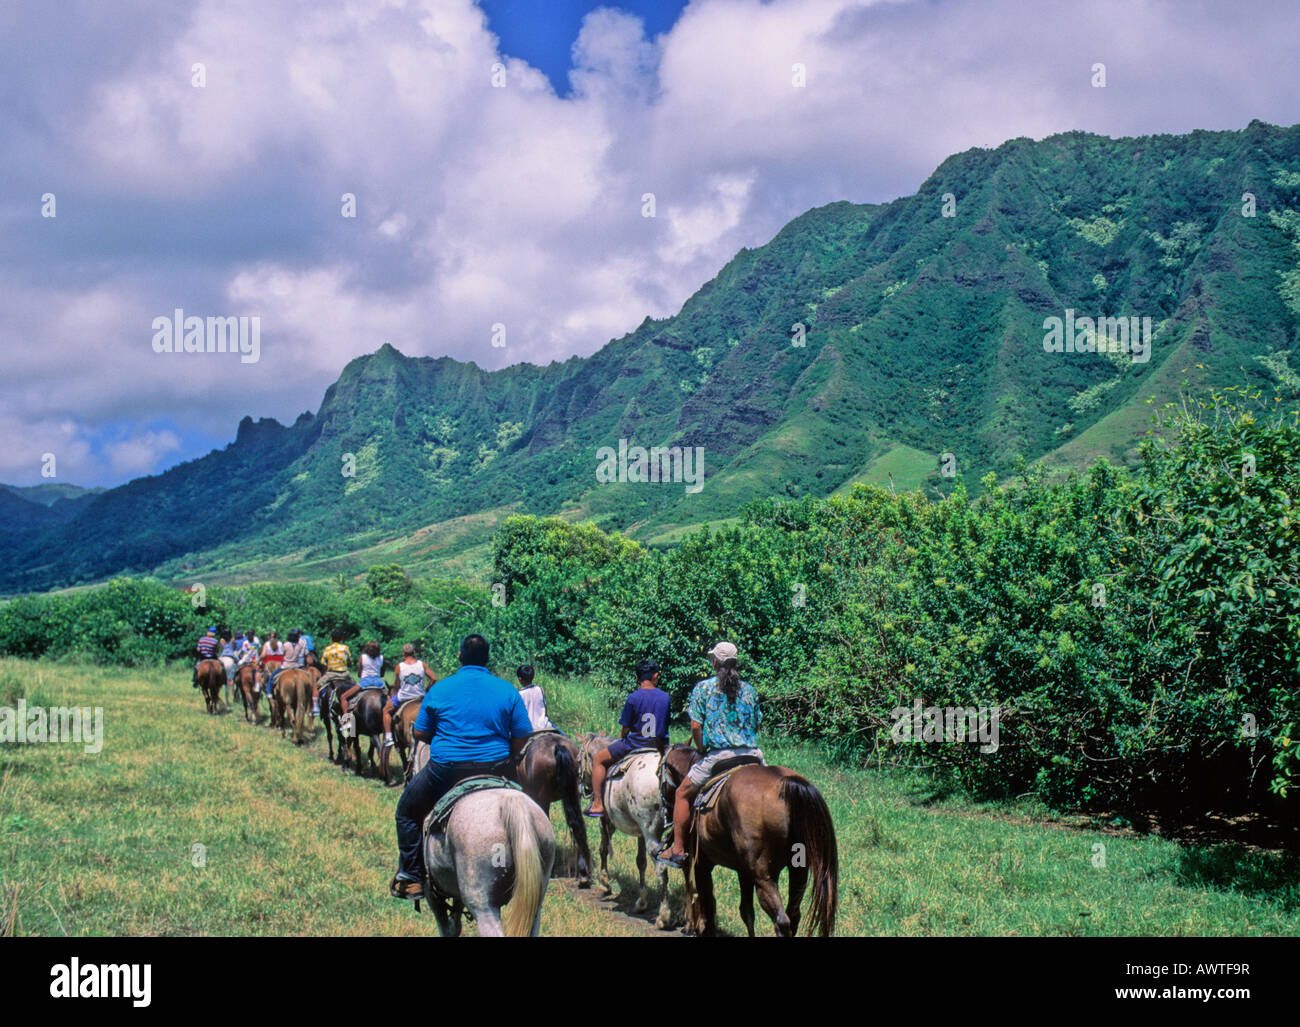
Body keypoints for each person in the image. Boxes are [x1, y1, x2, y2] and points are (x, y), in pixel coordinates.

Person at [390, 634, 532, 899]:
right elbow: (523, 734)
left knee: (407, 813)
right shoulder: (507, 689)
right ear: (488, 658)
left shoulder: (440, 689)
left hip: (447, 770)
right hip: (496, 768)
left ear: (459, 657)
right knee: (529, 808)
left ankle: (412, 877)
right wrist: (509, 756)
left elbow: (420, 733)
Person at [657, 642, 763, 868]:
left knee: (682, 794)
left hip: (719, 757)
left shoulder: (703, 688)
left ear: (715, 662)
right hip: (753, 755)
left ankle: (677, 849)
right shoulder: (749, 690)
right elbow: (756, 723)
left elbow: (696, 725)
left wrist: (702, 748)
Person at [585, 660, 670, 818]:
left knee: (598, 759)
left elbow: (625, 728)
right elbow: (665, 724)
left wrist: (621, 737)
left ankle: (597, 803)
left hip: (635, 744)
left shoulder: (633, 698)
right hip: (660, 747)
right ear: (655, 676)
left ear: (637, 679)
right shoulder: (665, 698)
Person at [384, 644, 433, 747]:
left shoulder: (399, 667)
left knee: (385, 711)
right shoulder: (422, 664)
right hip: (420, 696)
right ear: (414, 652)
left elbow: (397, 686)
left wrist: (395, 694)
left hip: (403, 697)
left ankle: (388, 737)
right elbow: (434, 678)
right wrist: (426, 690)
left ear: (403, 654)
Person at [339, 641, 385, 718]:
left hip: (365, 682)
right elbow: (382, 674)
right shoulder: (381, 657)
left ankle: (346, 720)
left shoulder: (362, 657)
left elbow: (359, 674)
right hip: (379, 683)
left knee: (343, 697)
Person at [316, 630, 353, 718]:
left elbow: (323, 663)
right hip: (345, 674)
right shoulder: (345, 648)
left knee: (315, 686)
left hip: (331, 674)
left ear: (331, 638)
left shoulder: (327, 649)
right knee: (356, 687)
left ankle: (315, 707)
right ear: (341, 639)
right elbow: (350, 662)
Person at [516, 665, 556, 732]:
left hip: (529, 730)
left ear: (520, 679)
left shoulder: (518, 695)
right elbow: (545, 710)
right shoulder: (540, 689)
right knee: (563, 736)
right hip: (545, 726)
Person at [259, 631, 284, 698]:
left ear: (268, 637)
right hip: (280, 661)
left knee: (259, 672)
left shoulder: (266, 644)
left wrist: (259, 658)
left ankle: (261, 689)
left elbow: (263, 655)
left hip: (269, 660)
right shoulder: (280, 643)